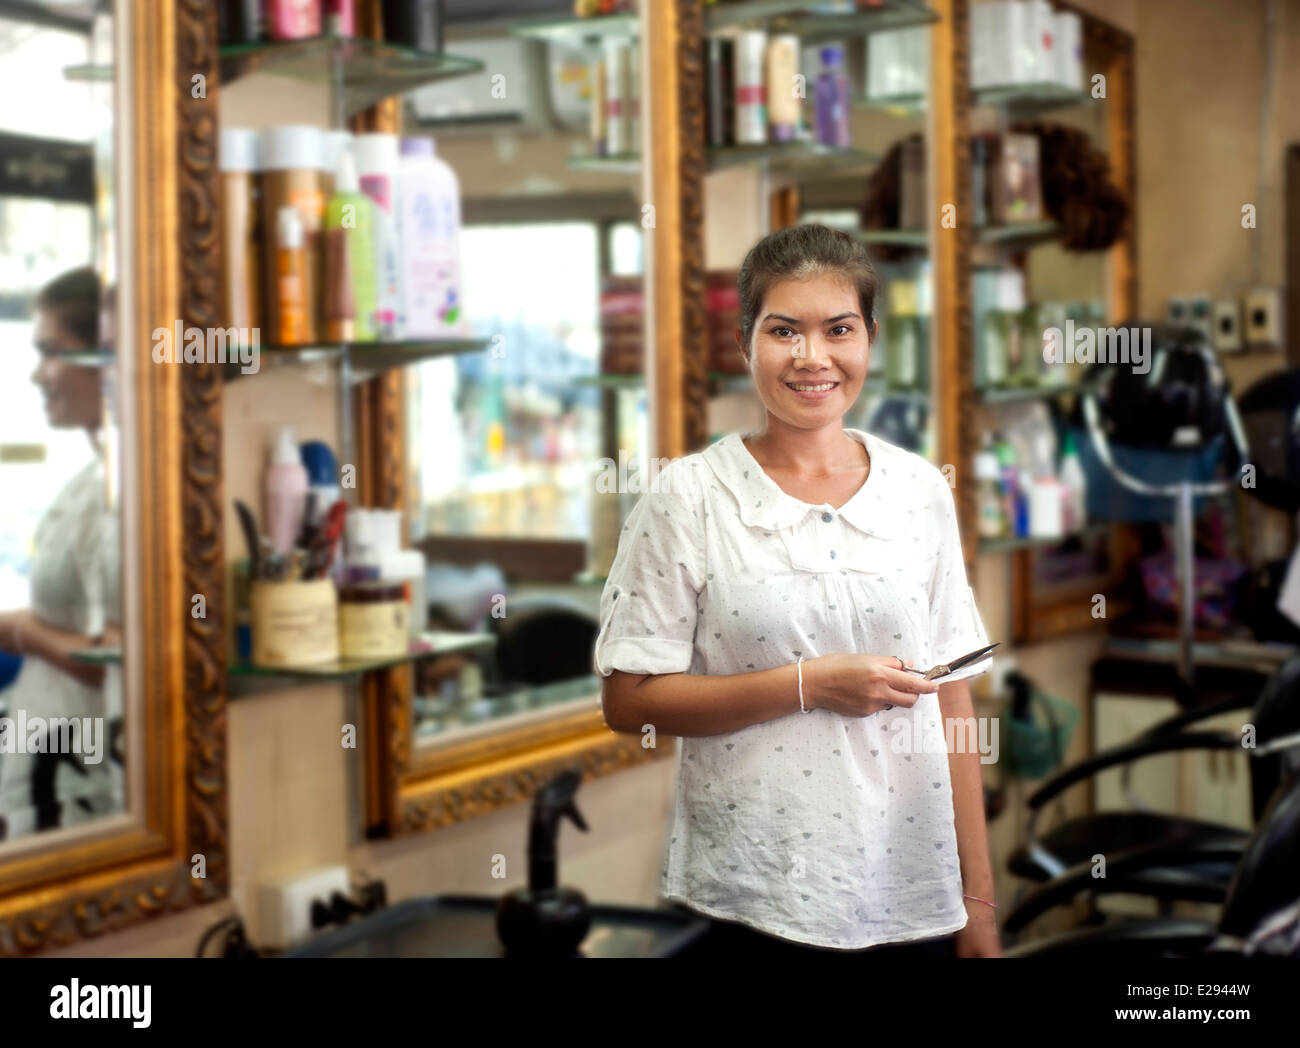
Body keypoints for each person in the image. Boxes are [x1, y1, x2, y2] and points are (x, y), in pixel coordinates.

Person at [594, 224, 1000, 957]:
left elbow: (954, 695)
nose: (813, 357)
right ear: (745, 341)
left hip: (913, 894)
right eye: (784, 330)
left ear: (870, 338)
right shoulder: (688, 498)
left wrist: (979, 901)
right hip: (752, 900)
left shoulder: (918, 489)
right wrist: (809, 684)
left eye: (837, 329)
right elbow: (629, 700)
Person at [0, 266, 121, 840]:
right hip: (42, 767)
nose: (34, 375)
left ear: (108, 356)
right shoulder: (90, 483)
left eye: (51, 351)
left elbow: (122, 663)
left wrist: (21, 631)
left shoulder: (131, 499)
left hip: (82, 784)